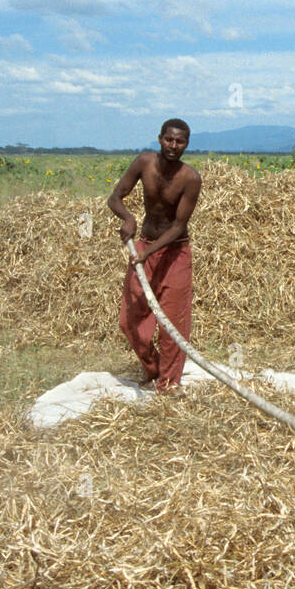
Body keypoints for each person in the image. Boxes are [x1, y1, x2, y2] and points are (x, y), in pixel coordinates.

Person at [108, 119, 201, 392]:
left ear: (187, 144)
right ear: (160, 138)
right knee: (129, 321)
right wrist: (127, 218)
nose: (173, 146)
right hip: (145, 247)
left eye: (180, 141)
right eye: (169, 140)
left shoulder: (191, 178)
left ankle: (168, 385)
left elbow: (178, 226)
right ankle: (155, 370)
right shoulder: (143, 163)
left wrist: (145, 252)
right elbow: (115, 197)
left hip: (175, 254)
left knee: (174, 324)